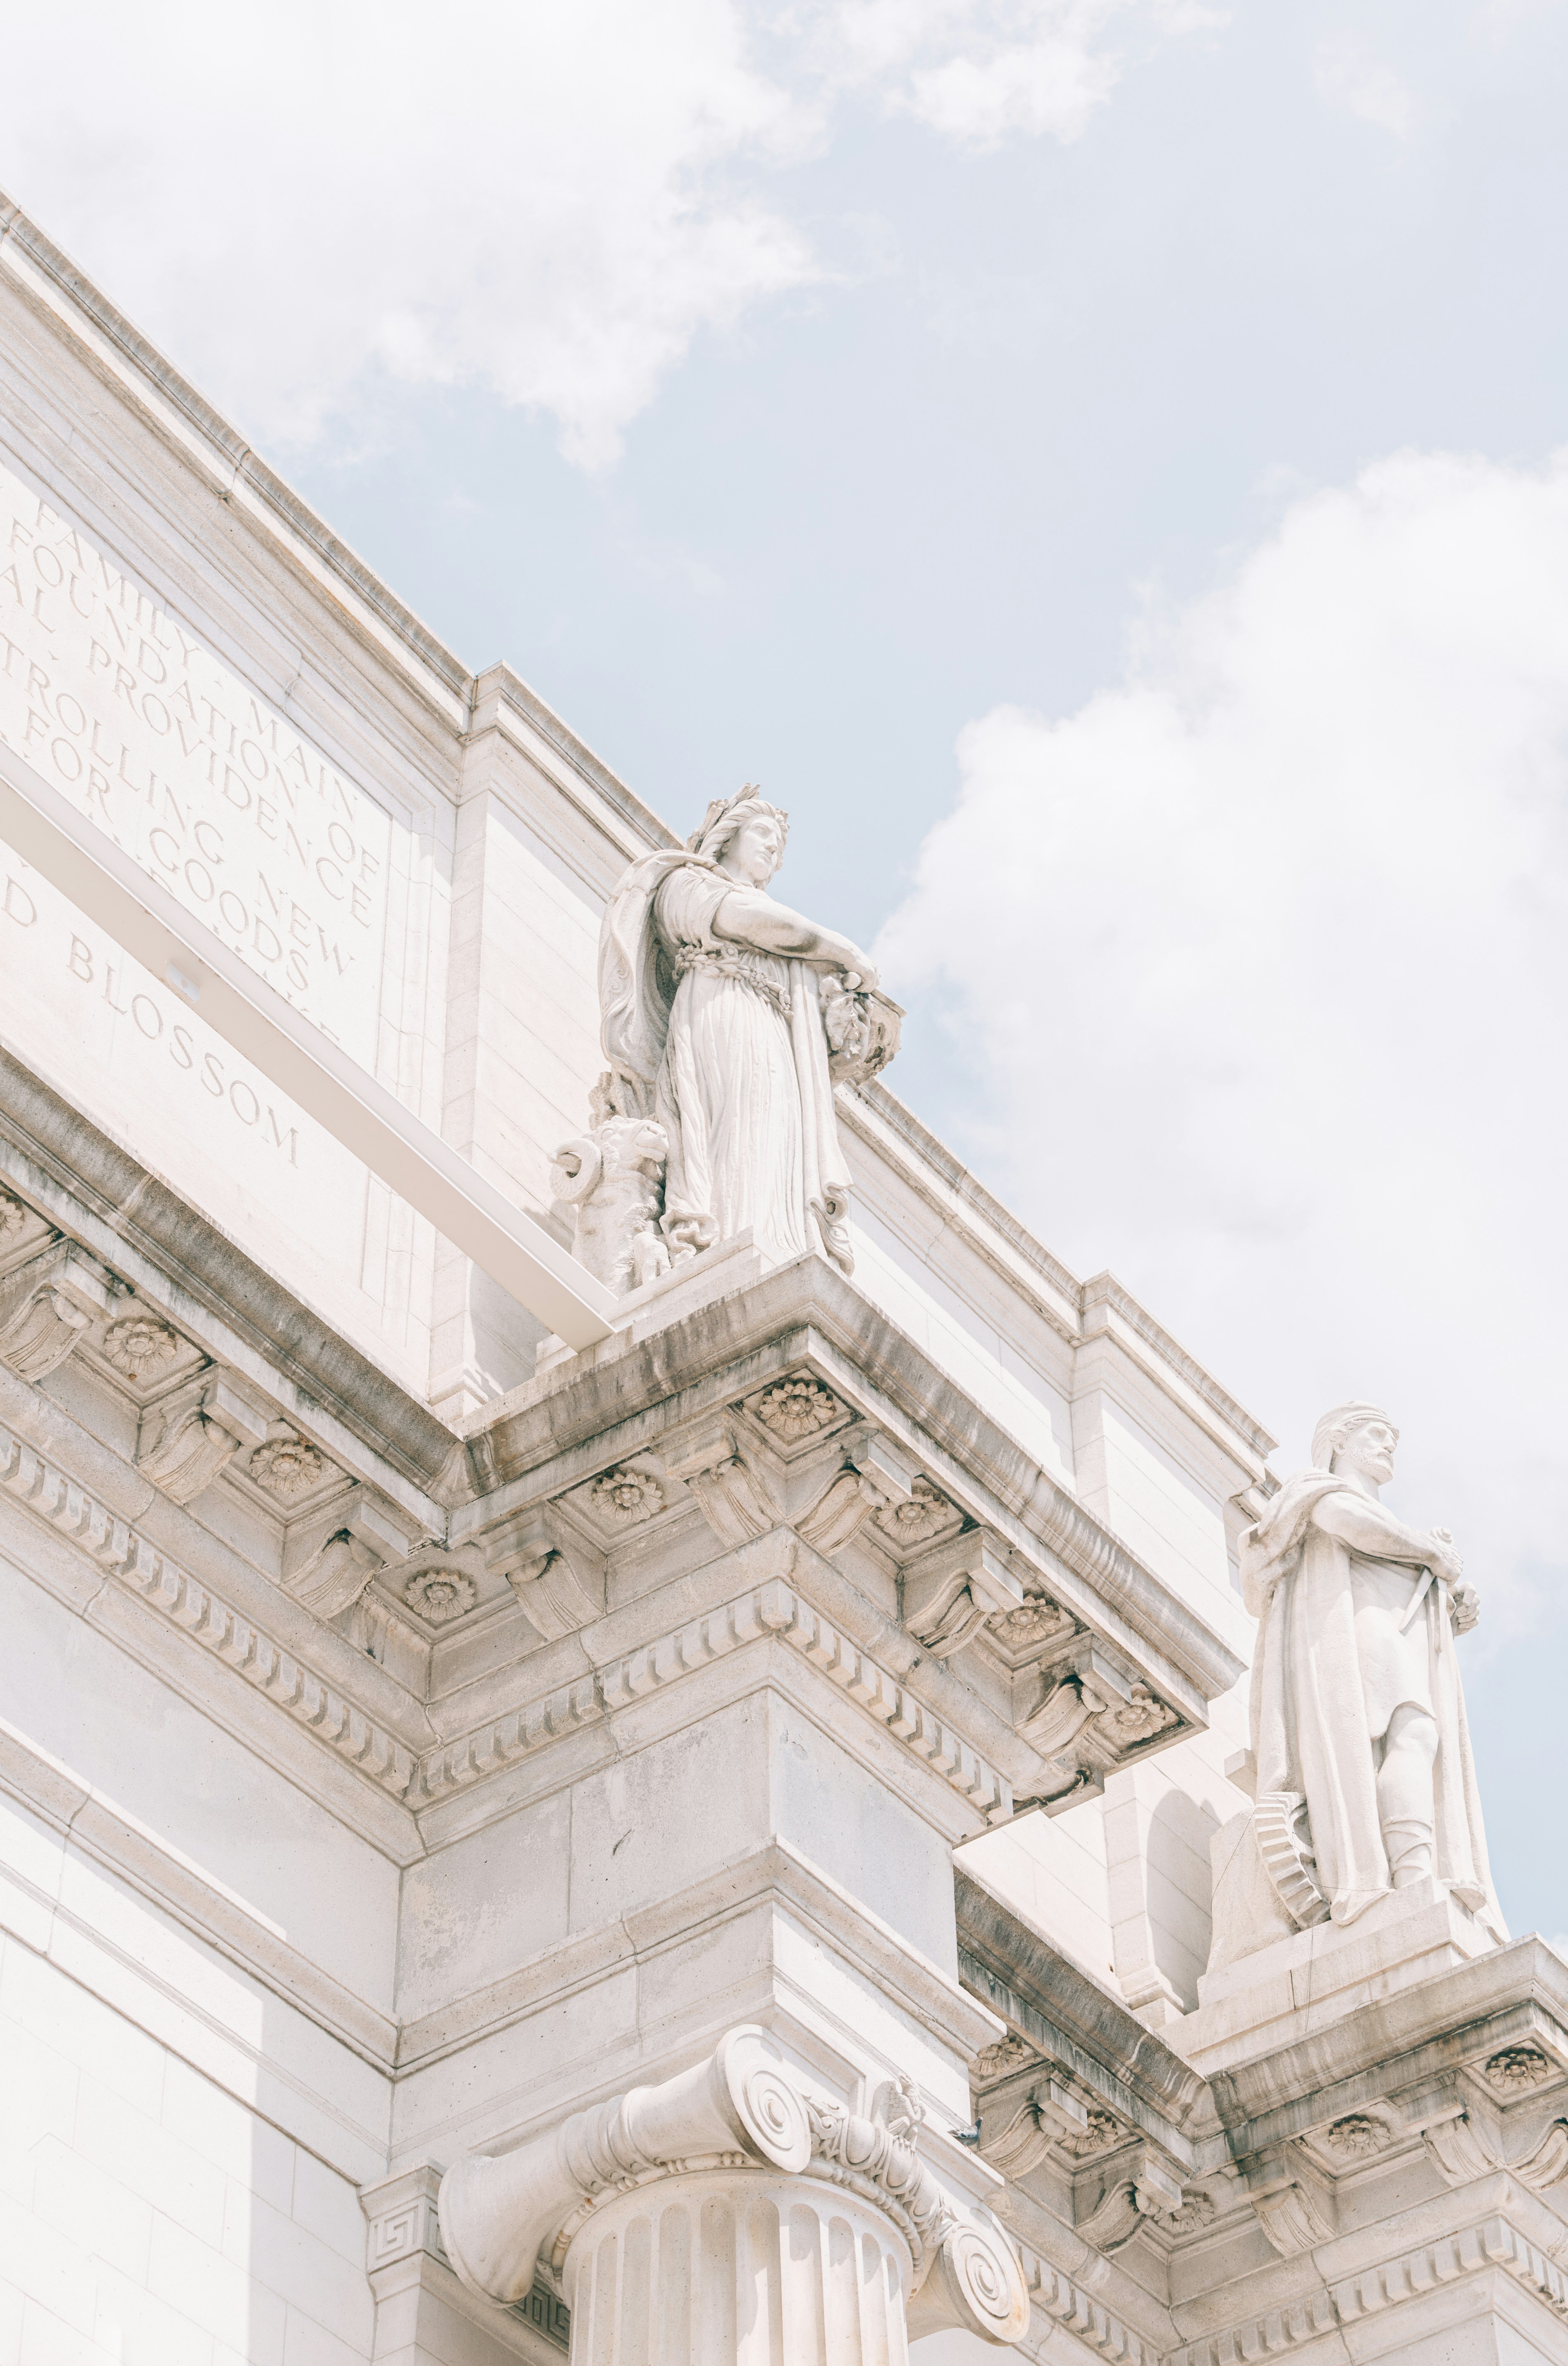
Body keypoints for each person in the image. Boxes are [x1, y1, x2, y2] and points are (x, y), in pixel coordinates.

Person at [1239, 1401, 1504, 1935]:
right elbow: (1348, 1524)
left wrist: (1452, 1605)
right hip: (1354, 1634)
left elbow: (1401, 1577)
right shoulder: (1316, 1491)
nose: (1388, 1446)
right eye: (1377, 1434)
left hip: (1388, 1636)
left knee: (1418, 1737)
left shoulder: (1389, 1524)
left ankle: (1416, 1869)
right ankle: (1411, 1873)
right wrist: (1427, 1551)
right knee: (1413, 1732)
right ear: (1339, 1440)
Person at [597, 788, 878, 1271]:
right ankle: (724, 1237)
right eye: (763, 833)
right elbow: (743, 919)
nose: (773, 849)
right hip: (723, 1014)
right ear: (728, 836)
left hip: (771, 1032)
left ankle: (776, 1241)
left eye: (780, 845)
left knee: (773, 1139)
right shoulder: (688, 882)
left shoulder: (784, 940)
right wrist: (841, 950)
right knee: (733, 1126)